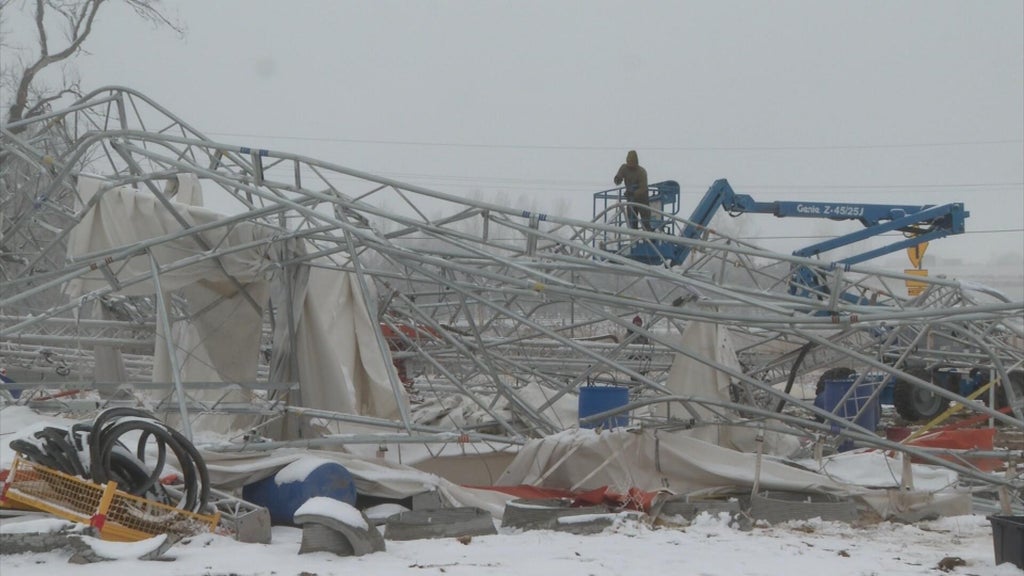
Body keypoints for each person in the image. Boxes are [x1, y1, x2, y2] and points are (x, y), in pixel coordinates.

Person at [613, 150, 650, 230]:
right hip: (631, 199)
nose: (630, 164)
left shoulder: (641, 172)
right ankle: (634, 236)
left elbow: (643, 188)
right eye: (629, 161)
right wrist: (617, 179)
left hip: (642, 199)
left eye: (632, 162)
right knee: (631, 221)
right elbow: (619, 176)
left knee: (645, 220)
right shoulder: (624, 168)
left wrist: (634, 193)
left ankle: (649, 236)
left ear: (636, 161)